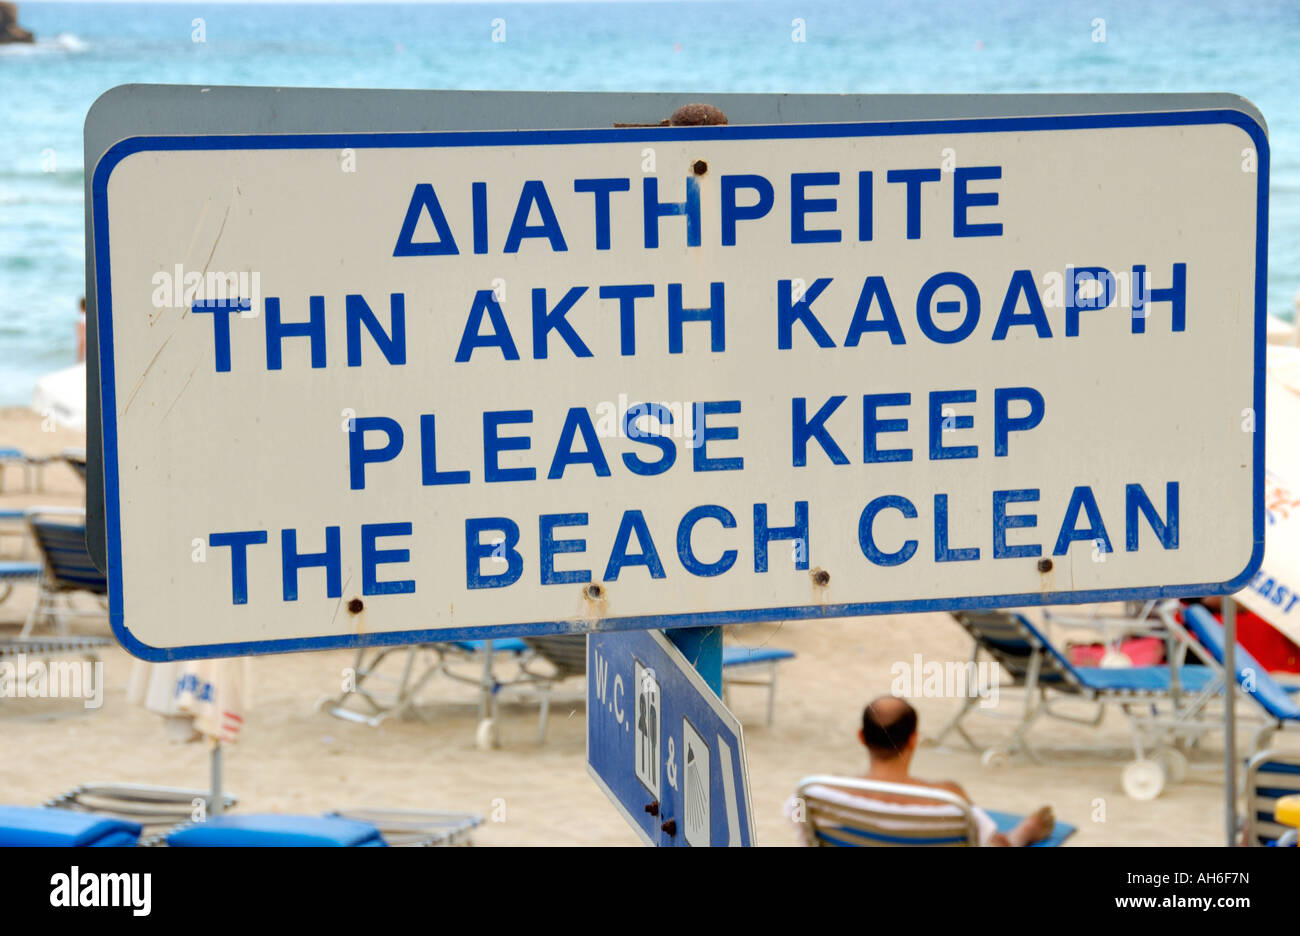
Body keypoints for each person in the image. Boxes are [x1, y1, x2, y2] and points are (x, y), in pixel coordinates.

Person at [845, 696, 1054, 846]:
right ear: (913, 739)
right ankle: (1017, 837)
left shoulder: (826, 793)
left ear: (861, 737)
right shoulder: (946, 799)